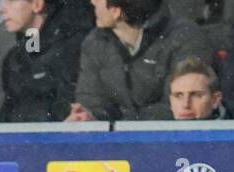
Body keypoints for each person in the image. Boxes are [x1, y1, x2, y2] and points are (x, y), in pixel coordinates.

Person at [68, 0, 214, 121]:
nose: (92, 1)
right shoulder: (95, 42)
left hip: (173, 140)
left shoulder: (185, 37)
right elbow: (92, 100)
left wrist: (124, 123)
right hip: (117, 141)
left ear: (116, 11)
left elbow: (181, 105)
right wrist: (89, 116)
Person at [0, 0, 95, 123]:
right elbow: (8, 111)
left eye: (10, 1)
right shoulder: (14, 58)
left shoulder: (72, 47)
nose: (0, 10)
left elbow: (72, 105)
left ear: (37, 5)